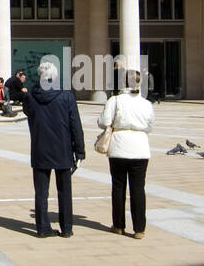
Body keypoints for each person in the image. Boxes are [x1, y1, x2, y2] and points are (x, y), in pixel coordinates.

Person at [23, 61, 85, 238]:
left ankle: (42, 228)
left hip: (40, 147)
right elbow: (75, 125)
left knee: (41, 192)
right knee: (64, 191)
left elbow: (29, 113)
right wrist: (79, 151)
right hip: (63, 148)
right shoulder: (66, 96)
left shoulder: (30, 96)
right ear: (55, 77)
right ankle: (66, 228)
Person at [97, 71, 155, 238]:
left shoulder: (115, 100)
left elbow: (104, 122)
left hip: (119, 146)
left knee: (118, 187)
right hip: (140, 147)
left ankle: (118, 225)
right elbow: (150, 126)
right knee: (138, 188)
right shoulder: (146, 103)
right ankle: (139, 228)